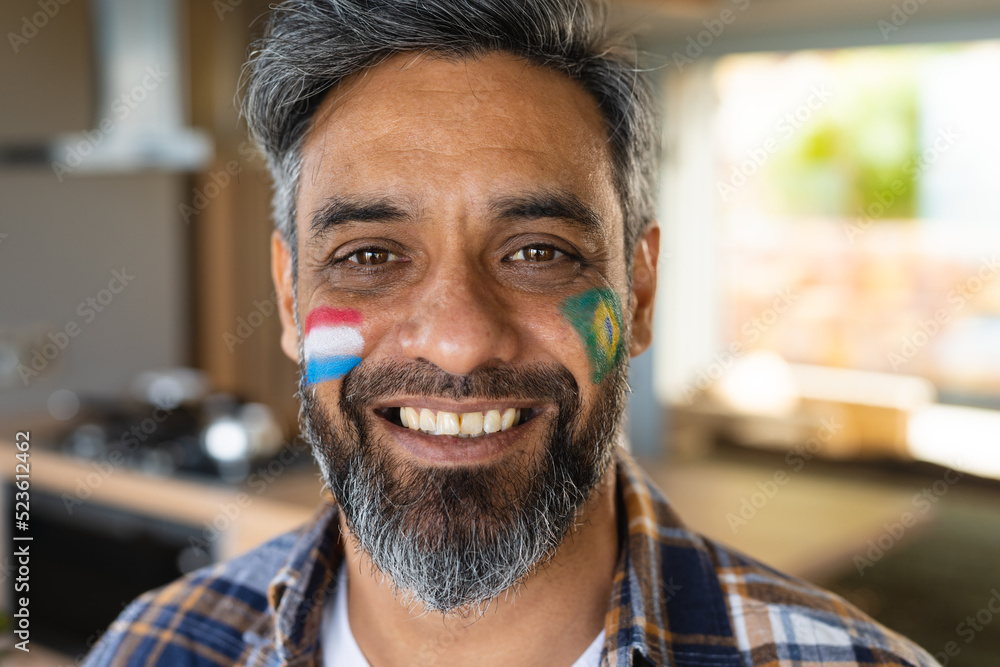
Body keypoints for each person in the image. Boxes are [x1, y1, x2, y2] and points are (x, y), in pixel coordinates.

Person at [86, 0, 940, 665]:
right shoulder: (154, 647)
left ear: (638, 292)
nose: (459, 341)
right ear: (287, 298)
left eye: (538, 251)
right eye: (372, 254)